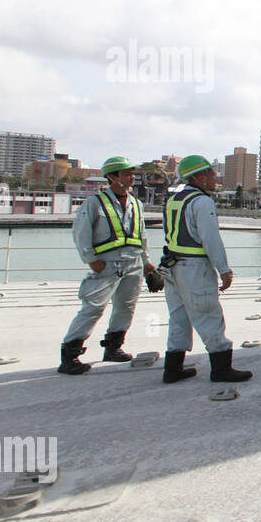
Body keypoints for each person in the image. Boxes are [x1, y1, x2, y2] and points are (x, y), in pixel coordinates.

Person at [58, 156, 158, 374]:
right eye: (126, 173)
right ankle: (70, 354)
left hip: (133, 263)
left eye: (132, 173)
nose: (131, 177)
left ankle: (113, 347)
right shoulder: (94, 203)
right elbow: (81, 233)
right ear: (112, 177)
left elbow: (141, 235)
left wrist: (146, 261)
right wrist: (91, 260)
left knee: (126, 307)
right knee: (93, 308)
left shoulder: (136, 203)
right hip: (107, 264)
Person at [159, 155, 251, 384]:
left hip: (172, 266)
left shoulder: (174, 200)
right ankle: (221, 370)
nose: (214, 177)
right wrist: (224, 269)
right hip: (194, 268)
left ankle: (172, 370)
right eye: (211, 173)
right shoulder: (202, 202)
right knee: (209, 315)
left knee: (178, 318)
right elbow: (210, 239)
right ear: (200, 177)